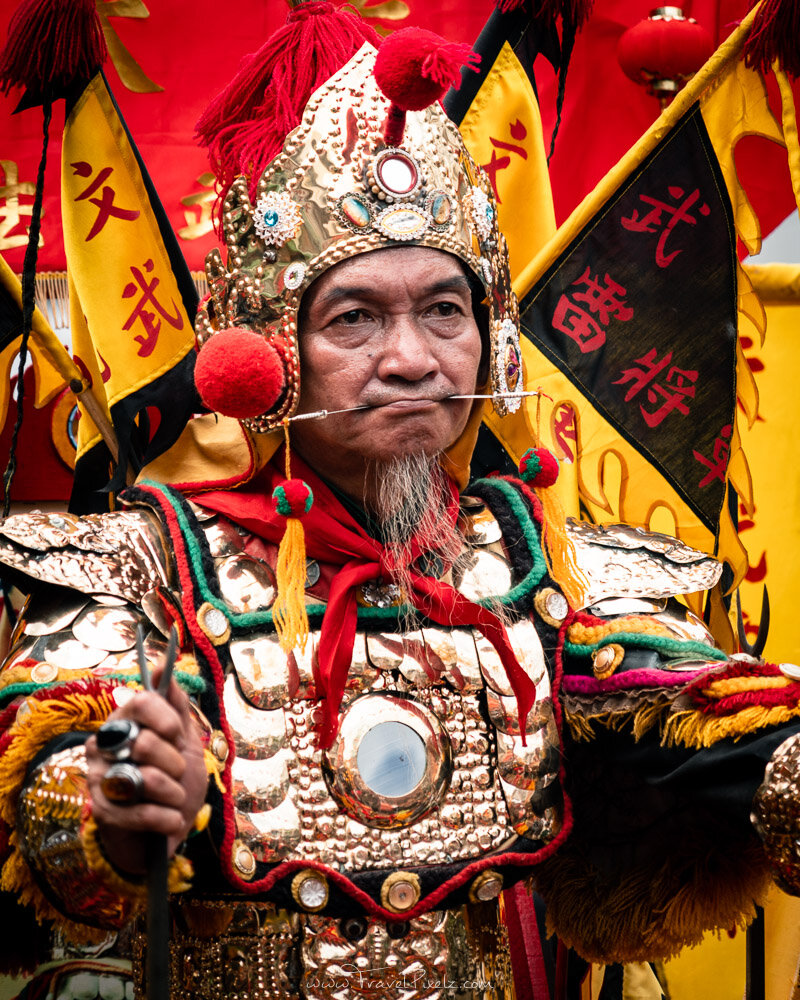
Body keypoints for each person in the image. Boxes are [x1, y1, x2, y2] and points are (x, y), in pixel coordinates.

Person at [1, 5, 800, 1000]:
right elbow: (47, 762)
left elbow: (706, 724)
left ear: (488, 338)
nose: (412, 358)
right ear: (265, 355)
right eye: (353, 318)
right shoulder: (139, 565)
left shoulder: (557, 566)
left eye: (443, 309)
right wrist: (108, 808)